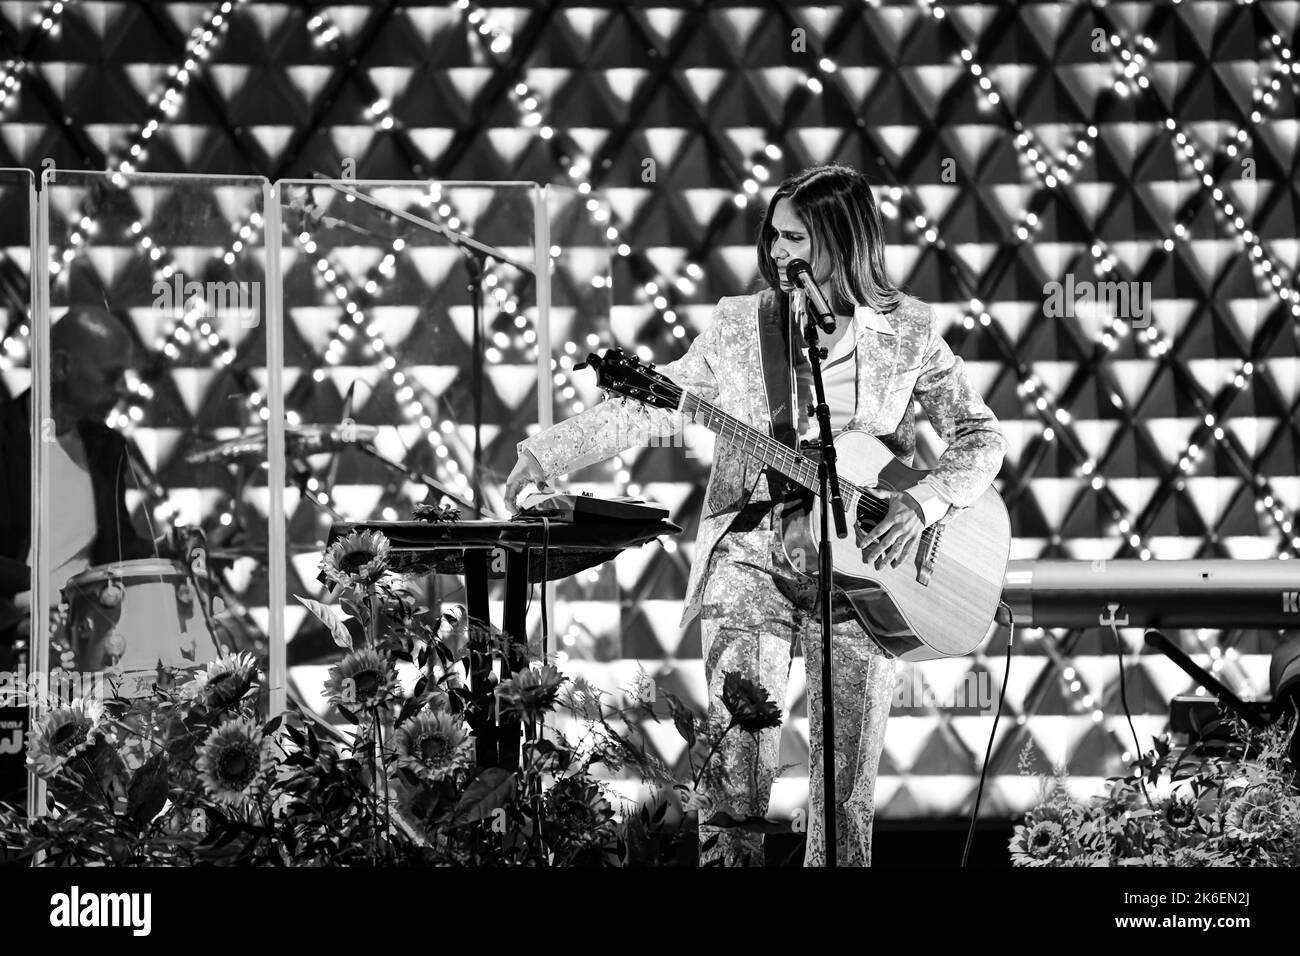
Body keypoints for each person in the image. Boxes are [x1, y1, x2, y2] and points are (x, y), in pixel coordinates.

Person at [506, 163, 1007, 866]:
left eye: (795, 237)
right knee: (733, 781)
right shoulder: (742, 325)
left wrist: (922, 504)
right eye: (773, 237)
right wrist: (548, 451)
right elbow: (650, 401)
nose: (778, 253)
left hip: (867, 578)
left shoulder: (909, 332)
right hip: (752, 559)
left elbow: (982, 438)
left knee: (845, 793)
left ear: (843, 239)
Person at [0, 306, 154, 804]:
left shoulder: (105, 445)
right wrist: (30, 593)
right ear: (63, 365)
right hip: (15, 647)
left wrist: (164, 555)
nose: (120, 388)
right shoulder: (4, 436)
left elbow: (119, 550)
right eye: (110, 374)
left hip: (88, 654)